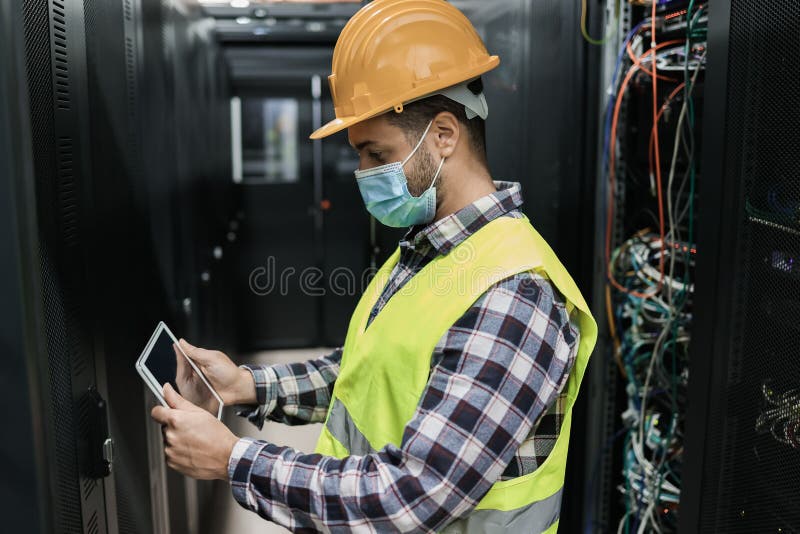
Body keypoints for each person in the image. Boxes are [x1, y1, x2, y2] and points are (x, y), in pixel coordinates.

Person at [150, 0, 597, 532]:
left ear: (444, 135)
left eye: (376, 154)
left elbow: (412, 496)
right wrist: (246, 384)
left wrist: (234, 460)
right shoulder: (432, 248)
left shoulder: (512, 296)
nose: (362, 174)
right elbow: (369, 372)